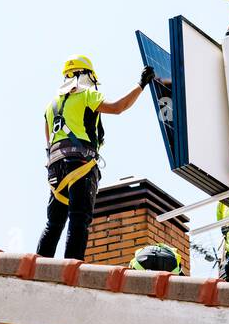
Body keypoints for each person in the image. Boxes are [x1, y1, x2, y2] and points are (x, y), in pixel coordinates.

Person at [37, 55, 154, 260]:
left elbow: (48, 141)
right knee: (79, 218)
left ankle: (36, 266)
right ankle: (71, 268)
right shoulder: (87, 95)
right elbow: (118, 107)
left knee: (53, 223)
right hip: (80, 164)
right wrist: (141, 84)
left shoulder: (51, 105)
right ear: (87, 75)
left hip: (55, 170)